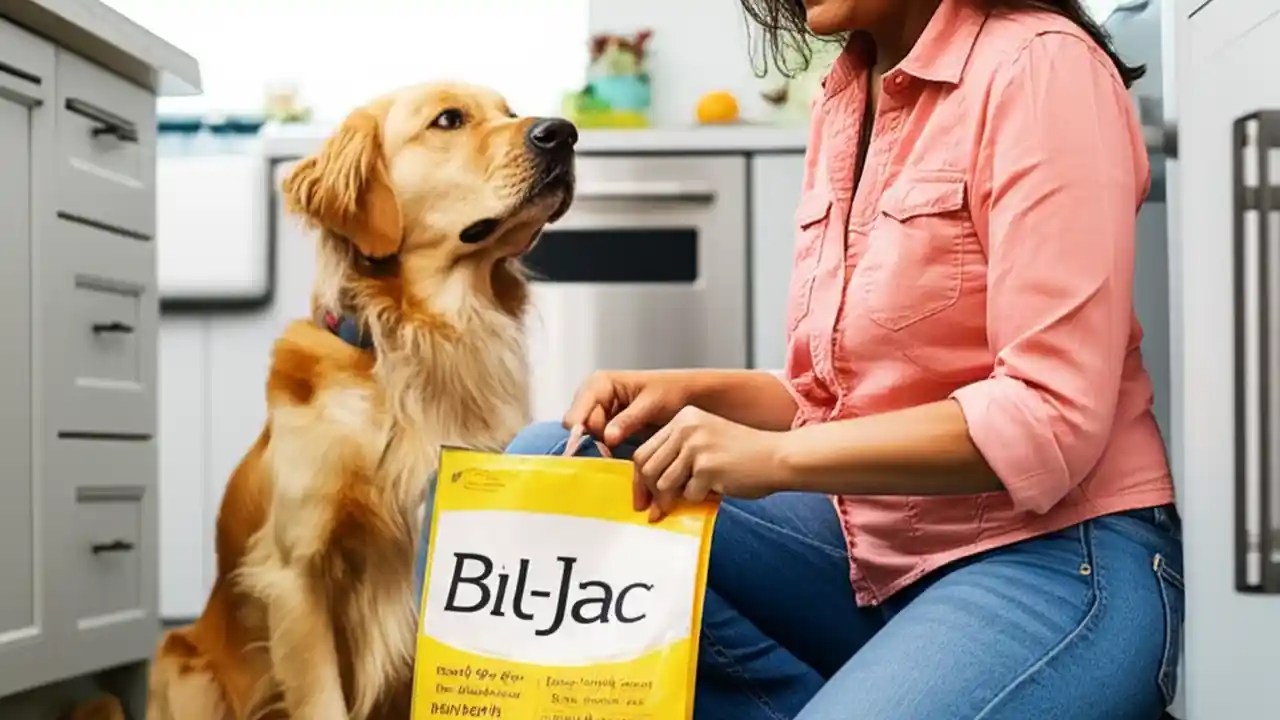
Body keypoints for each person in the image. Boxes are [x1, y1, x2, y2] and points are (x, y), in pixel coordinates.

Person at [503, 0, 1184, 717]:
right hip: (872, 553)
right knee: (556, 462)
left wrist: (766, 458)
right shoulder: (847, 94)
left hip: (1054, 557)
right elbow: (836, 400)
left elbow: (1046, 417)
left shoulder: (1040, 67)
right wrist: (689, 392)